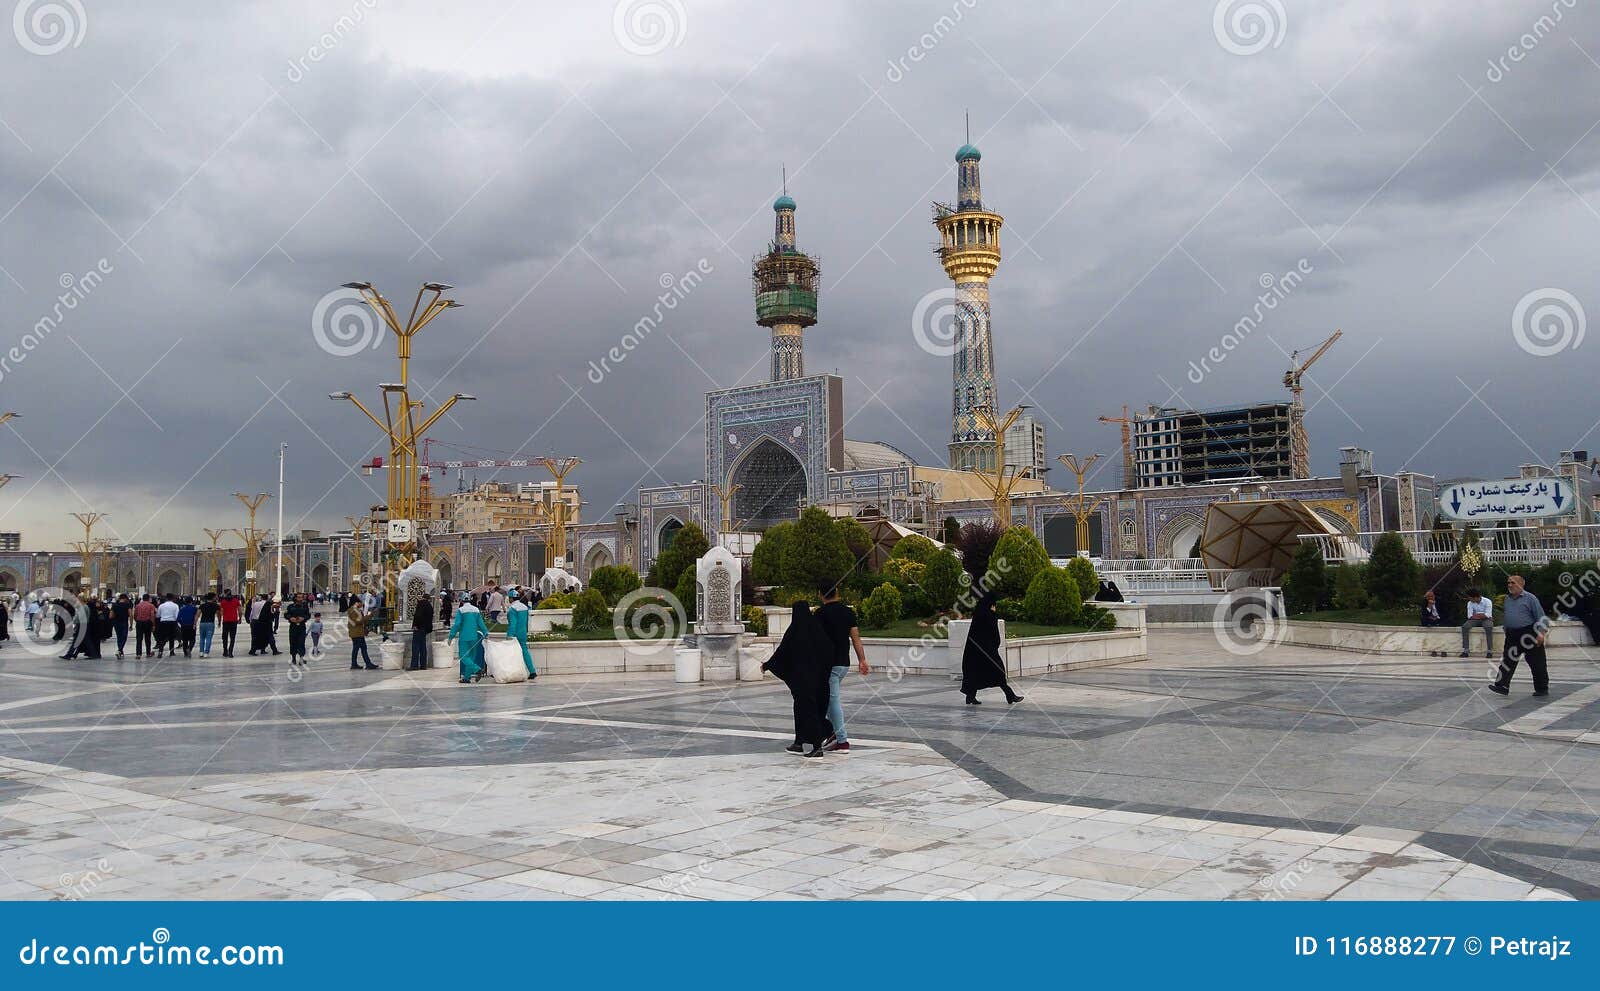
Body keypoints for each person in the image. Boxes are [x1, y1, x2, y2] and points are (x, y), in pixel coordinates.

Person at [761, 602, 833, 759]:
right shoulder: (817, 629)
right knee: (805, 711)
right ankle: (799, 742)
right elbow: (828, 651)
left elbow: (782, 652)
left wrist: (767, 665)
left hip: (802, 682)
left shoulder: (794, 631)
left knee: (807, 712)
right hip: (818, 681)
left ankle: (817, 747)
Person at [814, 583, 869, 754]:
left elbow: (814, 640)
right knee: (830, 700)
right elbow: (856, 639)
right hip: (844, 663)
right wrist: (862, 660)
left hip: (828, 664)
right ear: (837, 592)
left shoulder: (820, 614)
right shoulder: (848, 612)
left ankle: (842, 740)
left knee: (833, 701)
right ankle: (833, 734)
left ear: (820, 594)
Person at [960, 589, 1024, 705]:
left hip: (976, 651)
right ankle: (1010, 695)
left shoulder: (980, 611)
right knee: (998, 671)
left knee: (975, 672)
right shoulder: (987, 614)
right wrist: (993, 614)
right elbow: (991, 630)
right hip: (986, 650)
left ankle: (970, 697)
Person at [1490, 574, 1550, 698]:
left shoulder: (1530, 598)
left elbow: (1541, 617)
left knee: (1537, 662)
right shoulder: (1507, 599)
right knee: (1507, 660)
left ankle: (1542, 688)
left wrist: (1541, 633)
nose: (1510, 585)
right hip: (1512, 634)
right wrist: (1506, 629)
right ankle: (1502, 686)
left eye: (1513, 582)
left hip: (1529, 633)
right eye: (1508, 583)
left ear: (1521, 584)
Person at [446, 593, 488, 684]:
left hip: (464, 637)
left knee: (463, 657)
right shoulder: (476, 610)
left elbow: (457, 624)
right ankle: (466, 678)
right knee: (471, 657)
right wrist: (485, 632)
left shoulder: (461, 610)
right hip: (474, 637)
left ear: (461, 600)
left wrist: (451, 636)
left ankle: (477, 669)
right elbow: (480, 623)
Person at [504, 589, 536, 679]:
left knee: (509, 653)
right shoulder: (524, 607)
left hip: (515, 634)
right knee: (525, 652)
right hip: (523, 632)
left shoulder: (512, 609)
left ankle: (507, 672)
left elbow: (513, 624)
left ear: (511, 599)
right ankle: (532, 671)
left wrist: (509, 635)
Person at [1460, 588, 1494, 658]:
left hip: (1486, 620)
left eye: (1470, 598)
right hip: (1475, 620)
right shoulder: (1470, 603)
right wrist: (1482, 615)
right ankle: (1466, 650)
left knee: (1488, 627)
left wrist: (1477, 615)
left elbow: (1487, 615)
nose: (1469, 599)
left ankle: (1489, 651)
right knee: (1465, 627)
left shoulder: (1487, 601)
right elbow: (1469, 616)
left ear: (1475, 597)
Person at [347, 599, 378, 670]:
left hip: (357, 632)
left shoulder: (355, 610)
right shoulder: (353, 611)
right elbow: (358, 621)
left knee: (357, 648)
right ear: (356, 603)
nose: (361, 604)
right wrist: (370, 615)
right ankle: (367, 664)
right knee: (362, 648)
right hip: (357, 633)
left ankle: (355, 664)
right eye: (360, 602)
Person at [409, 589, 434, 671]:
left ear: (423, 598)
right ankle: (423, 665)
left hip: (419, 628)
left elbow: (418, 616)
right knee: (423, 646)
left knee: (415, 646)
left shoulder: (421, 604)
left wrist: (415, 625)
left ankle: (414, 665)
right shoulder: (430, 606)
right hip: (425, 629)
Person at [285, 592, 311, 667]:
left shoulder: (304, 606)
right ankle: (293, 658)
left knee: (301, 642)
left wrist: (303, 618)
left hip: (301, 627)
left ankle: (301, 658)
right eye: (298, 597)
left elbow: (308, 615)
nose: (300, 599)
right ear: (295, 598)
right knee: (293, 642)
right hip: (293, 627)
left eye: (301, 597)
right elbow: (286, 614)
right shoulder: (290, 606)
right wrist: (290, 618)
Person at [155, 593, 180, 658]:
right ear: (173, 598)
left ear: (166, 598)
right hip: (172, 622)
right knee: (171, 638)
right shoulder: (175, 606)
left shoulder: (161, 606)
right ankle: (171, 652)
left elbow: (158, 615)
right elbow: (177, 616)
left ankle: (160, 651)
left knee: (162, 638)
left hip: (163, 622)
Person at [218, 589, 241, 658]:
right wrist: (240, 618)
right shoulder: (236, 601)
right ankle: (230, 652)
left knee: (224, 637)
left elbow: (221, 612)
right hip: (234, 621)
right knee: (232, 637)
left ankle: (225, 651)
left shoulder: (223, 601)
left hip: (226, 621)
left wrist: (219, 621)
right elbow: (240, 611)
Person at [197, 592, 218, 658]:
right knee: (208, 638)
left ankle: (201, 652)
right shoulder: (216, 605)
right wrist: (220, 621)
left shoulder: (202, 605)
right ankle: (206, 652)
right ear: (213, 597)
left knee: (202, 638)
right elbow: (219, 614)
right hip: (210, 623)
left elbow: (197, 614)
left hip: (202, 623)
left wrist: (195, 623)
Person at [111, 593, 131, 659]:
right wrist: (131, 624)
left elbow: (111, 615)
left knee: (119, 637)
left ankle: (120, 651)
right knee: (124, 637)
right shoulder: (127, 605)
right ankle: (119, 650)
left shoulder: (114, 605)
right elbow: (130, 614)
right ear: (125, 599)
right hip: (124, 622)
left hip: (116, 623)